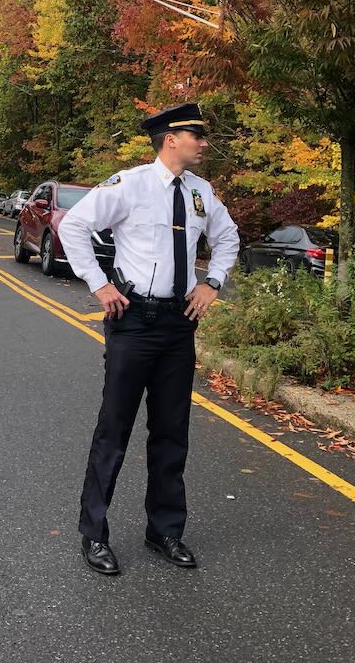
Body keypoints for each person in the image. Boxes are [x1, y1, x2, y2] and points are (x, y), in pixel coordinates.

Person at [59, 102, 240, 576]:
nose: (204, 143)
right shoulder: (130, 184)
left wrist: (212, 282)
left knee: (171, 432)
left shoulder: (200, 192)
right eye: (197, 136)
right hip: (134, 320)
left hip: (179, 324)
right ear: (171, 139)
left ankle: (164, 530)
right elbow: (73, 225)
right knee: (114, 428)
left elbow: (228, 238)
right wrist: (99, 285)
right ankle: (94, 533)